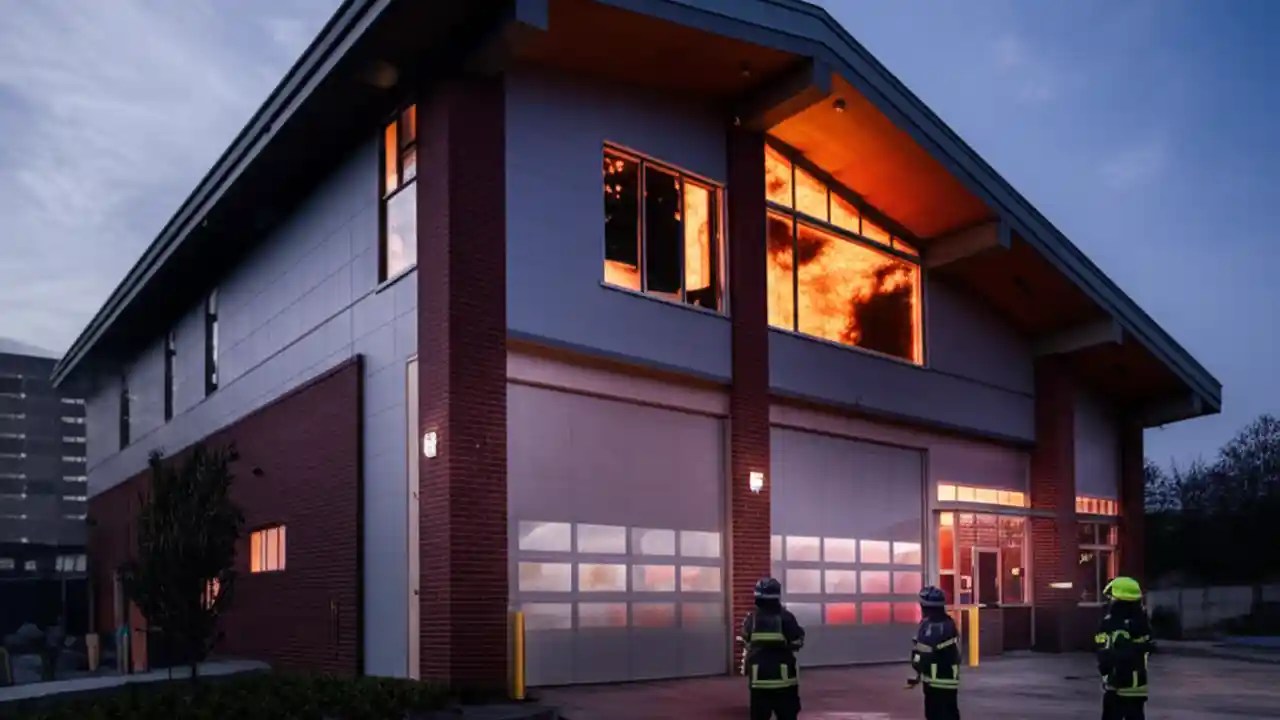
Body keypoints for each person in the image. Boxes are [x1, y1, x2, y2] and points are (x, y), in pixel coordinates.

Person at [740, 577, 805, 720]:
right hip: (784, 681)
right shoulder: (786, 617)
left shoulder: (751, 619)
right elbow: (797, 641)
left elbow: (745, 638)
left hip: (759, 681)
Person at [1095, 576, 1153, 720]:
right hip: (1137, 689)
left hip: (1117, 687)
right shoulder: (1141, 622)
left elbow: (1105, 652)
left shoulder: (1113, 623)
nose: (1109, 601)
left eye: (1112, 598)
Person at [910, 585, 961, 720]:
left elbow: (924, 652)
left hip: (937, 680)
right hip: (941, 679)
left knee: (939, 714)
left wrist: (917, 667)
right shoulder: (947, 623)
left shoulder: (931, 627)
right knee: (947, 712)